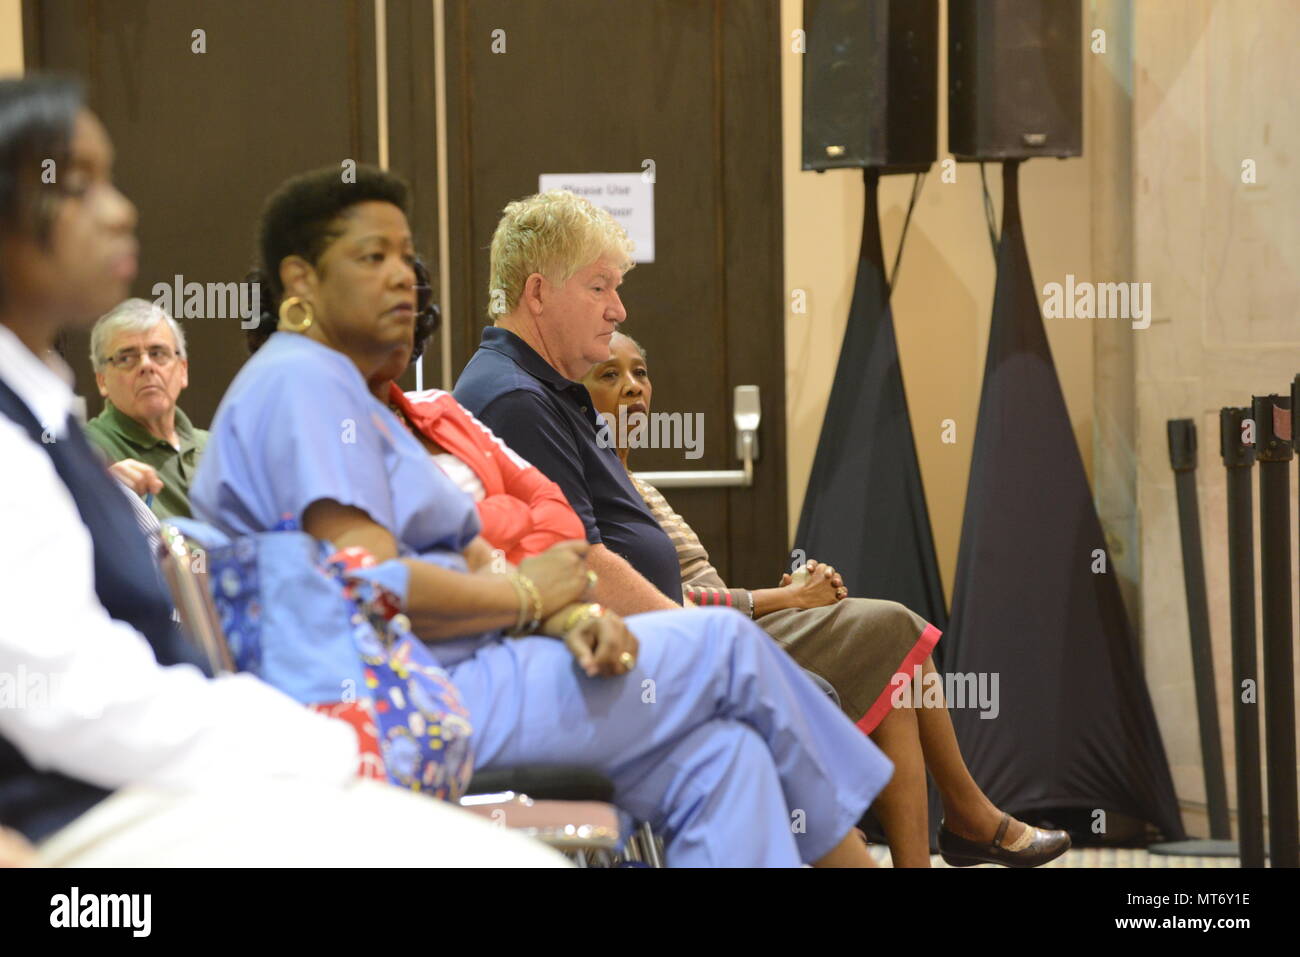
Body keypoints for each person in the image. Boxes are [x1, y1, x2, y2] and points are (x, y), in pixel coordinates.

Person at [191, 164, 894, 867]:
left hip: (479, 665)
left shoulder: (365, 403)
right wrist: (530, 595)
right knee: (729, 649)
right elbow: (379, 585)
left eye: (407, 255)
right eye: (372, 257)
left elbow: (471, 555)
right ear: (300, 281)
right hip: (407, 701)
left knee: (724, 758)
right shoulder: (298, 383)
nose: (403, 275)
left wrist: (570, 617)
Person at [0, 74, 566, 868]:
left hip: (155, 770)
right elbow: (68, 699)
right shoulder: (17, 434)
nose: (120, 210)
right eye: (80, 184)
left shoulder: (38, 405)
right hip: (84, 812)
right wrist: (301, 746)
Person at [583, 331, 1073, 868]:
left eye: (641, 373)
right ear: (577, 396)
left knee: (897, 670)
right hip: (708, 646)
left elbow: (701, 590)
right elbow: (665, 602)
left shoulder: (636, 481)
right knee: (893, 626)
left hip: (734, 627)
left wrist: (786, 599)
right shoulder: (596, 489)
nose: (634, 388)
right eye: (610, 375)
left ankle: (934, 849)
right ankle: (970, 817)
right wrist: (786, 597)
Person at [453, 190, 683, 615]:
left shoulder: (545, 385)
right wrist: (699, 637)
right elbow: (579, 566)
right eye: (599, 287)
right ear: (537, 293)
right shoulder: (516, 400)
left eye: (616, 289)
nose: (619, 311)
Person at [84, 298, 207, 519]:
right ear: (102, 381)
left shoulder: (215, 446)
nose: (146, 366)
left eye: (158, 353)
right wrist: (102, 492)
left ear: (182, 370)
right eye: (127, 358)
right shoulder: (87, 451)